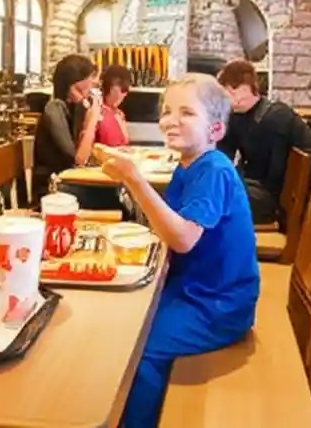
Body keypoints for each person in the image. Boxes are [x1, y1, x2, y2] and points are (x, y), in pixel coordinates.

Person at [99, 73, 260, 426]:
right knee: (120, 325)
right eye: (167, 110)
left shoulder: (213, 169)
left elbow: (184, 238)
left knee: (139, 349)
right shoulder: (188, 165)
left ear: (216, 130)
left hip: (219, 305)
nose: (171, 120)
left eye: (187, 113)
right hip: (192, 289)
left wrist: (135, 179)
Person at [216, 59, 311, 226]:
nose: (229, 96)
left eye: (232, 90)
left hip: (273, 201)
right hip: (256, 188)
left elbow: (272, 178)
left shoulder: (275, 117)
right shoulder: (238, 116)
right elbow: (222, 154)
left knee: (212, 197)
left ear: (247, 88)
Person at [31, 53, 97, 205]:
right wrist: (93, 119)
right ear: (69, 85)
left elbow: (83, 152)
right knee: (110, 198)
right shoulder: (54, 109)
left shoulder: (74, 108)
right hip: (52, 190)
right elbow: (78, 159)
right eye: (80, 90)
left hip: (68, 182)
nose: (91, 84)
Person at [93, 63, 131, 148]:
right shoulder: (95, 112)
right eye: (123, 89)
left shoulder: (119, 114)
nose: (124, 94)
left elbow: (125, 143)